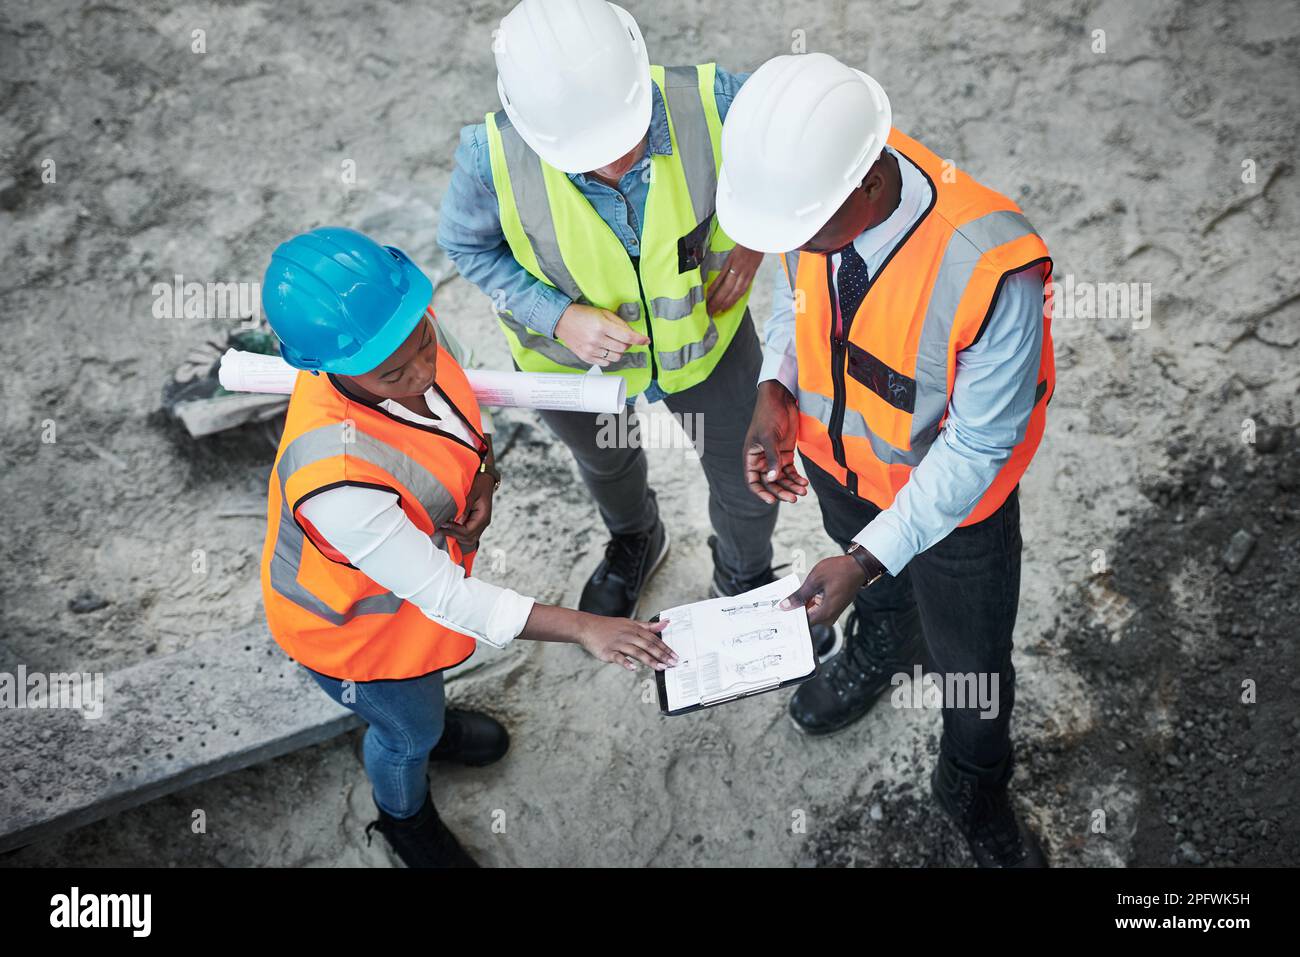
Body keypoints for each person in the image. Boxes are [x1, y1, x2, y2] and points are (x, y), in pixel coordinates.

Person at [717, 53, 1054, 867]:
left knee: (972, 666)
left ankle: (973, 782)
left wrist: (865, 558)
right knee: (882, 596)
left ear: (868, 182)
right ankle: (882, 641)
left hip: (957, 516)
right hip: (844, 472)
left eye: (802, 230)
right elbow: (796, 289)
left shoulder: (989, 265)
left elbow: (977, 445)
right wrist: (775, 383)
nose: (790, 245)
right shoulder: (817, 181)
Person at [258, 226, 677, 868]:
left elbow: (457, 411)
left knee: (421, 696)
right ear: (329, 368)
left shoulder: (404, 334)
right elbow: (448, 597)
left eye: (422, 340)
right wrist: (587, 628)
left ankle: (435, 726)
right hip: (351, 634)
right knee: (404, 731)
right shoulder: (335, 480)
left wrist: (484, 472)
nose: (423, 368)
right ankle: (405, 819)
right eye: (395, 370)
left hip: (402, 608)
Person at [438, 0, 833, 655]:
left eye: (627, 136)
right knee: (606, 459)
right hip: (570, 368)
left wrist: (755, 239)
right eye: (589, 157)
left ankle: (743, 579)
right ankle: (636, 537)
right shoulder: (492, 156)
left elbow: (791, 180)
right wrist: (556, 315)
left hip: (705, 343)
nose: (617, 163)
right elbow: (467, 246)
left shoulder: (716, 101)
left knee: (745, 473)